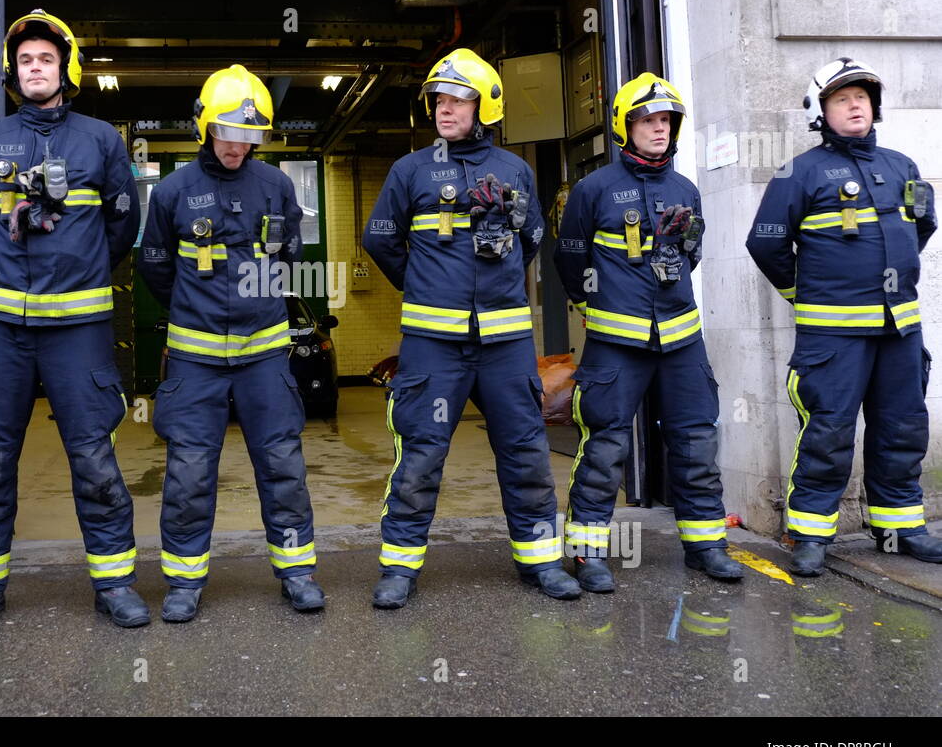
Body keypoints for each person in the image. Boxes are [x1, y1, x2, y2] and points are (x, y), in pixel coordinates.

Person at [0, 9, 146, 633]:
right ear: (15, 73)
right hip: (1, 327)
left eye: (46, 60)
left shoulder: (101, 140)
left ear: (65, 70)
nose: (36, 68)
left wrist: (74, 266)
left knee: (93, 458)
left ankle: (114, 584)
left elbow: (123, 226)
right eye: (26, 60)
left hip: (80, 328)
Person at [362, 47, 580, 607]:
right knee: (421, 453)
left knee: (526, 448)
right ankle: (399, 568)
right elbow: (380, 240)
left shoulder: (514, 171)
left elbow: (533, 237)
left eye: (458, 99)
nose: (445, 108)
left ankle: (541, 561)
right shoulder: (409, 170)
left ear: (486, 107)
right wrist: (426, 285)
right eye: (438, 99)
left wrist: (499, 281)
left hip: (505, 344)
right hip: (433, 346)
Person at [139, 64, 324, 622]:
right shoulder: (172, 190)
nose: (239, 146)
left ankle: (297, 572)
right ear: (204, 127)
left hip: (264, 354)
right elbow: (155, 267)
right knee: (190, 471)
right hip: (195, 358)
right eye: (229, 133)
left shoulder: (276, 186)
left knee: (282, 464)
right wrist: (196, 311)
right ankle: (184, 581)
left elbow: (290, 258)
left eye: (250, 137)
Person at [747, 57, 940, 576]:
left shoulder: (901, 165)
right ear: (820, 111)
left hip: (897, 327)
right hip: (832, 334)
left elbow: (921, 228)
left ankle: (899, 526)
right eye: (841, 99)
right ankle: (810, 533)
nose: (855, 105)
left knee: (901, 427)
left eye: (862, 97)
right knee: (828, 431)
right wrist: (803, 294)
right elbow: (764, 244)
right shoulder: (799, 171)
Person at [554, 72, 742, 591]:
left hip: (681, 340)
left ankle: (706, 545)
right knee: (605, 446)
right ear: (625, 126)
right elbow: (569, 257)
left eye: (666, 120)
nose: (659, 129)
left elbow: (691, 258)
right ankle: (589, 554)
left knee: (696, 440)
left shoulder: (686, 190)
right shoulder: (594, 190)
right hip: (616, 344)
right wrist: (590, 304)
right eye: (648, 120)